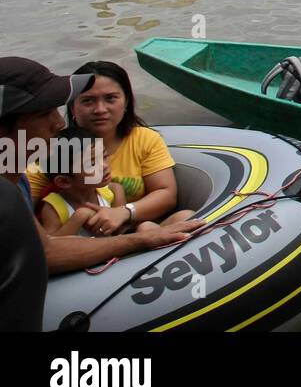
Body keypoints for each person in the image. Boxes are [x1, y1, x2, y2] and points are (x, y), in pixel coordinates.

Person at [0, 58, 201, 327]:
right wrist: (138, 241)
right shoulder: (13, 188)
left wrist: (132, 226)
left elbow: (43, 249)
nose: (58, 124)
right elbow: (47, 254)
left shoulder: (15, 178)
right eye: (42, 114)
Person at [29, 60, 186, 234]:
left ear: (126, 102)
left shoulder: (145, 139)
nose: (100, 109)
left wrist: (124, 212)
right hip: (82, 250)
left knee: (184, 217)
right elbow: (25, 214)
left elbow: (166, 194)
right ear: (73, 108)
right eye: (88, 101)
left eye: (110, 98)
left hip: (135, 231)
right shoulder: (55, 152)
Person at [37, 126, 125, 237]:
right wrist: (79, 217)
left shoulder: (113, 191)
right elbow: (52, 246)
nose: (105, 166)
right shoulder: (53, 207)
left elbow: (121, 232)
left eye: (104, 156)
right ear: (64, 181)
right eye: (92, 164)